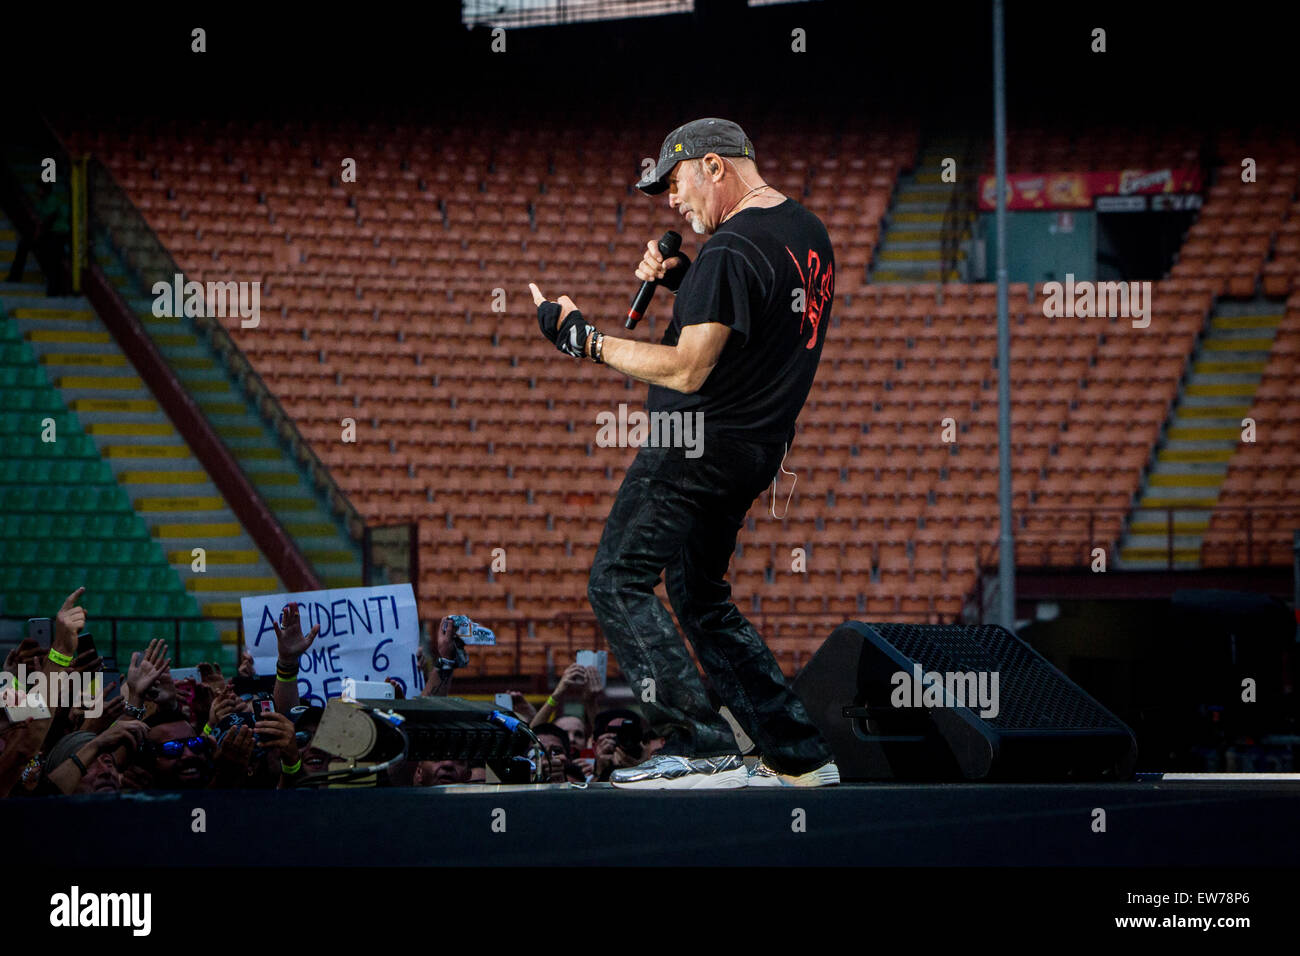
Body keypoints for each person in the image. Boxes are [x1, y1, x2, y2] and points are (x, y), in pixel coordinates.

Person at [528, 118, 839, 789]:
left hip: (693, 444)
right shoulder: (804, 231)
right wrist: (686, 280)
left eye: (675, 182)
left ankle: (698, 747)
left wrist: (584, 339)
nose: (673, 200)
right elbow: (758, 322)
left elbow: (690, 370)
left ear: (713, 166)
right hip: (754, 450)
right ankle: (801, 755)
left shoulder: (731, 247)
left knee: (616, 578)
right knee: (697, 595)